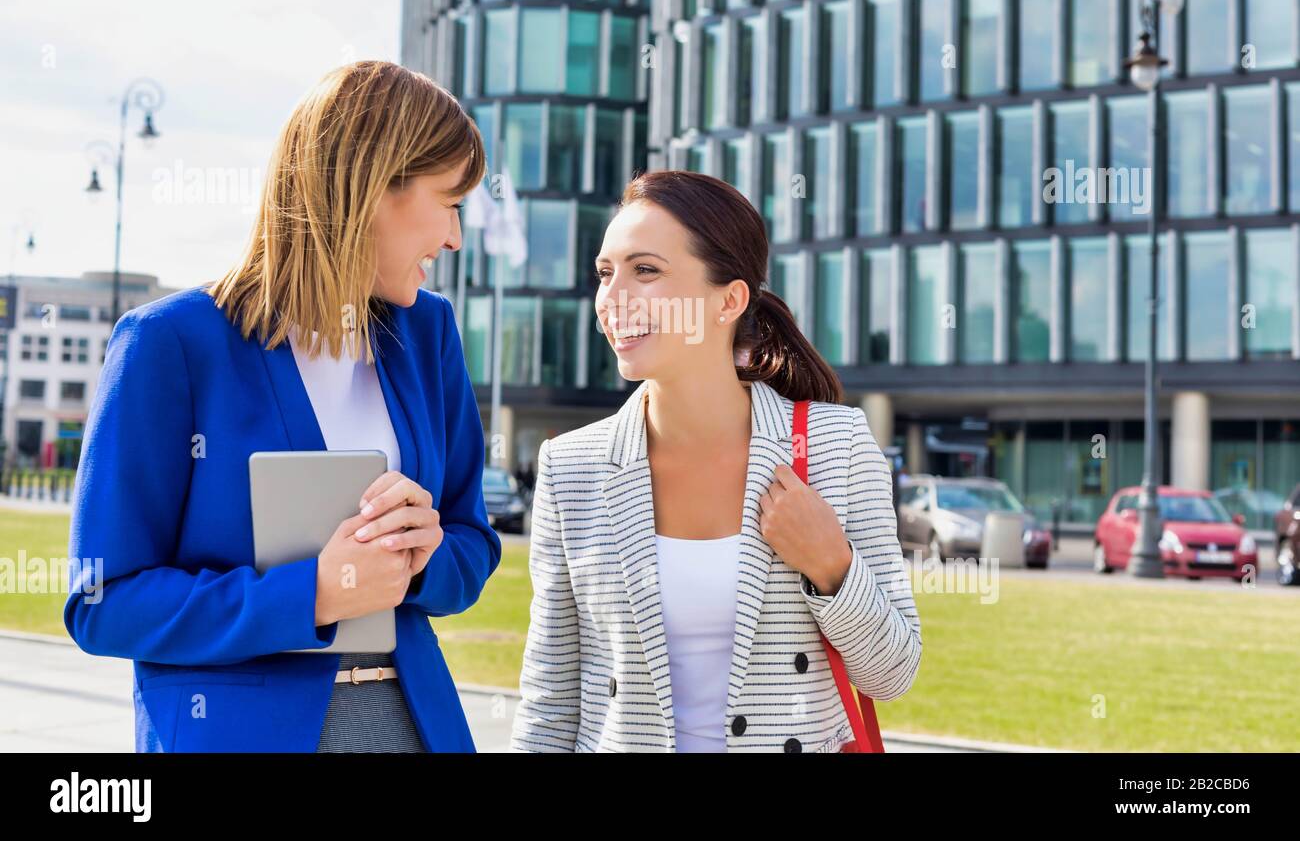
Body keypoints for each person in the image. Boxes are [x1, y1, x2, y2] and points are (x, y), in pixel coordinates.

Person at [64, 60, 501, 752]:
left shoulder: (428, 333)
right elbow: (103, 603)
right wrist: (313, 595)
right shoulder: (170, 344)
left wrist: (426, 554)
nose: (454, 236)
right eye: (448, 201)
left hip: (410, 727)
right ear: (370, 188)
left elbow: (472, 542)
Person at [510, 170, 922, 753]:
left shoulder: (837, 445)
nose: (612, 297)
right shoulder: (569, 467)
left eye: (645, 270)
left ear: (729, 299)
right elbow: (550, 704)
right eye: (606, 273)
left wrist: (832, 565)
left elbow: (893, 673)